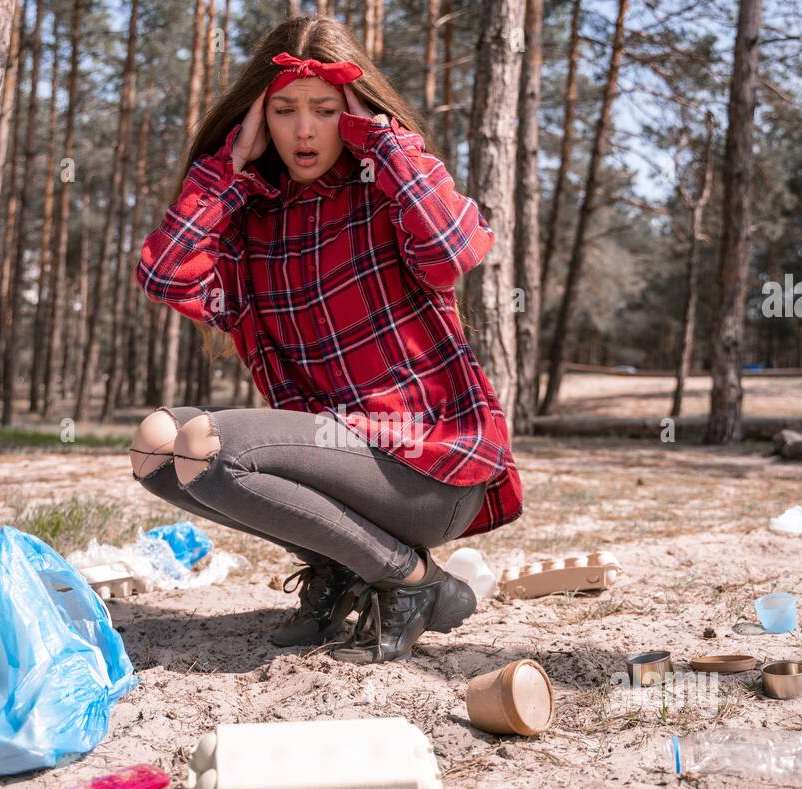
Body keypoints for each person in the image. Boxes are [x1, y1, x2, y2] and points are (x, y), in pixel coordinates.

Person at [131, 16, 522, 664]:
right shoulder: (254, 219)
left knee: (212, 447)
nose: (305, 130)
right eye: (284, 110)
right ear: (258, 118)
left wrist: (385, 141)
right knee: (156, 449)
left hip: (428, 471)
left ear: (356, 110)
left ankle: (413, 580)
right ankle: (343, 568)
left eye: (325, 109)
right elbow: (165, 274)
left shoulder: (387, 191)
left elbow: (456, 249)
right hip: (334, 461)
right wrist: (227, 169)